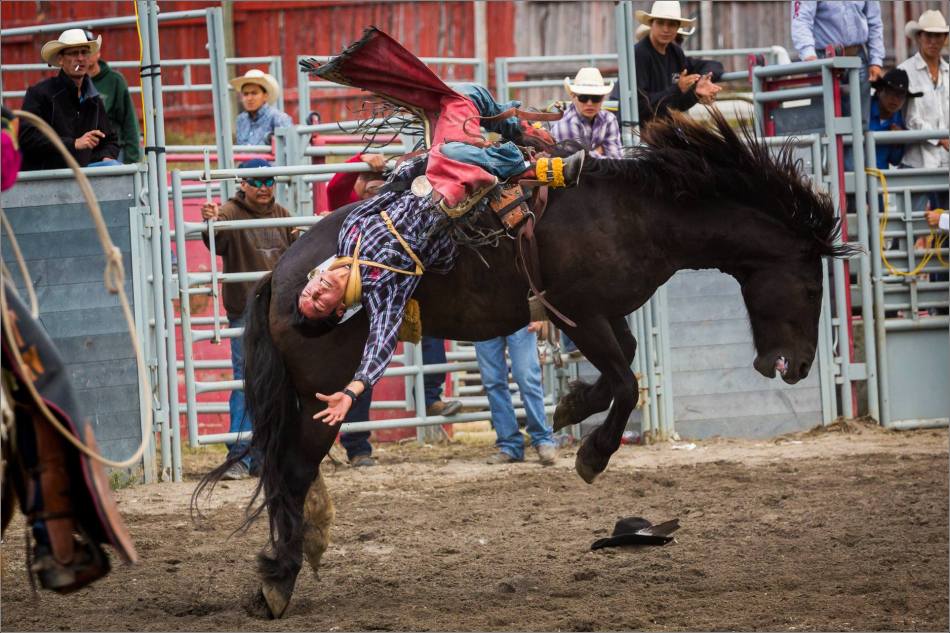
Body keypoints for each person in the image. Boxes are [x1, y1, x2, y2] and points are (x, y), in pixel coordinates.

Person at [326, 153, 462, 466]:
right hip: (365, 298)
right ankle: (357, 444)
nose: (374, 187)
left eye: (379, 182)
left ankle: (431, 395)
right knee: (360, 358)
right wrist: (360, 160)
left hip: (406, 285)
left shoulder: (387, 205)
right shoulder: (352, 213)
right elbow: (336, 187)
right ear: (358, 186)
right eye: (367, 182)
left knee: (430, 334)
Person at [200, 158, 296, 479]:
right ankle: (240, 455)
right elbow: (216, 240)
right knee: (245, 380)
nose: (264, 188)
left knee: (276, 380)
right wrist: (211, 222)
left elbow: (298, 250)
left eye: (269, 181)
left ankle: (265, 456)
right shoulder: (229, 212)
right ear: (243, 184)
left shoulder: (283, 214)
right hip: (246, 310)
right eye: (256, 182)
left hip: (278, 309)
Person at [19, 29, 120, 170]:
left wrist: (106, 157)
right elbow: (28, 138)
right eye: (73, 53)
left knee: (114, 166)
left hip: (82, 175)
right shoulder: (39, 94)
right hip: (47, 177)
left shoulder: (94, 99)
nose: (80, 58)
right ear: (60, 60)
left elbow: (110, 140)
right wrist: (73, 143)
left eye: (84, 52)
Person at [608, 1, 722, 124]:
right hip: (635, 128)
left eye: (672, 24)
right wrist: (677, 89)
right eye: (660, 23)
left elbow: (677, 104)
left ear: (677, 28)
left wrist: (700, 86)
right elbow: (640, 107)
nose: (666, 29)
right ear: (651, 24)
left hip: (661, 126)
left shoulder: (675, 53)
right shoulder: (639, 55)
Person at [475, 323, 557, 465]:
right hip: (481, 319)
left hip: (518, 317)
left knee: (526, 377)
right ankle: (510, 445)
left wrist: (539, 316)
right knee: (493, 381)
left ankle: (542, 439)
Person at [791, 1, 884, 122]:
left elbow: (874, 21)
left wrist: (876, 60)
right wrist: (809, 57)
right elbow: (801, 20)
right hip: (824, 58)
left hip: (857, 55)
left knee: (860, 120)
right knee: (825, 119)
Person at [898, 9, 949, 179]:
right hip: (916, 162)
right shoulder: (905, 71)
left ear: (944, 38)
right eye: (928, 35)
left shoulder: (948, 72)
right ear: (919, 37)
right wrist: (940, 138)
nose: (933, 41)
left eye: (938, 36)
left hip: (946, 162)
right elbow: (911, 119)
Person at [84, 30, 141, 163]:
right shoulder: (73, 83)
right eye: (78, 51)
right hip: (83, 150)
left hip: (112, 149)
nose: (84, 55)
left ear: (98, 52)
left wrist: (131, 159)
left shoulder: (115, 81)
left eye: (89, 49)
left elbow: (129, 121)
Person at [550, 67, 622, 159]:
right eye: (583, 98)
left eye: (596, 98)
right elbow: (579, 163)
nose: (589, 103)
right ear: (573, 97)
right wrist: (600, 150)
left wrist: (589, 155)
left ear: (603, 98)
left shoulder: (609, 119)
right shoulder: (565, 123)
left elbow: (616, 158)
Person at [868, 68, 920, 169]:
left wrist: (897, 142)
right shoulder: (863, 110)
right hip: (853, 174)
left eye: (900, 95)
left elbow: (894, 160)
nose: (895, 99)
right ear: (879, 90)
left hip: (880, 175)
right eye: (890, 92)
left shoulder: (900, 121)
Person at [230, 69, 294, 146]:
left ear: (265, 96)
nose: (249, 98)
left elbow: (291, 147)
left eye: (254, 93)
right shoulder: (241, 120)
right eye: (246, 94)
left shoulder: (278, 118)